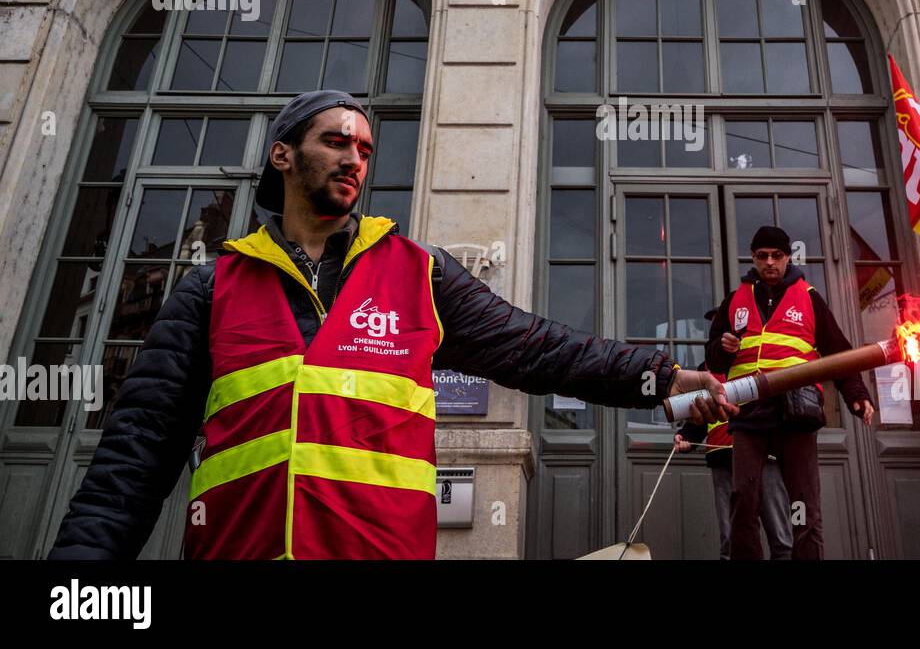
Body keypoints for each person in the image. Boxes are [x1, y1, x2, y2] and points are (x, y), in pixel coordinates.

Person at [49, 90, 734, 560]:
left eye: (366, 149)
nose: (355, 159)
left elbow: (538, 349)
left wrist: (664, 375)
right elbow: (133, 458)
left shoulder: (418, 272)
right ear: (283, 155)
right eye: (335, 142)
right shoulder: (212, 289)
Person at [706, 225, 874, 561]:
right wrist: (722, 348)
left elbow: (837, 351)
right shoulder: (735, 299)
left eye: (777, 256)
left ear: (787, 258)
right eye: (762, 256)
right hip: (749, 416)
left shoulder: (809, 296)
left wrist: (856, 393)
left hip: (797, 414)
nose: (769, 262)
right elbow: (712, 358)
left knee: (802, 505)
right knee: (743, 502)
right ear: (753, 258)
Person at [674, 351, 792, 560]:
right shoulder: (705, 369)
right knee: (730, 538)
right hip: (722, 459)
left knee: (780, 536)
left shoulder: (758, 356)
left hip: (764, 457)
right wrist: (685, 436)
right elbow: (701, 416)